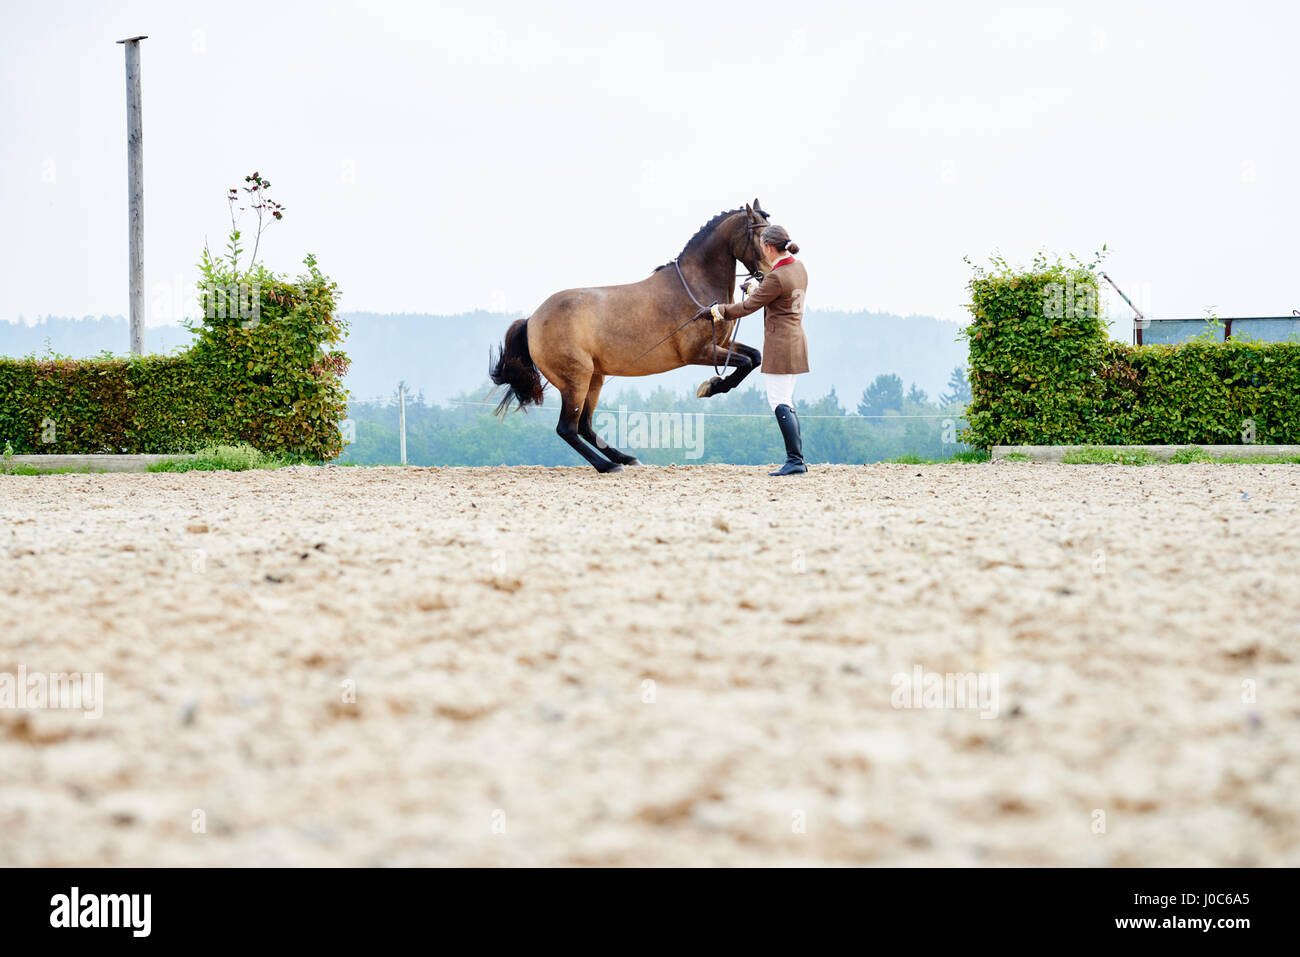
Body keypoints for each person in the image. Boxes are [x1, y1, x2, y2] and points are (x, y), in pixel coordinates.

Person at [710, 225, 809, 476]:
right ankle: (796, 459)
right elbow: (778, 295)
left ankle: (795, 460)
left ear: (767, 247)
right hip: (796, 341)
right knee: (786, 399)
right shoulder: (797, 268)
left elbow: (748, 307)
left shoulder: (776, 277)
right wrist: (756, 287)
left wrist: (718, 310)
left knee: (779, 401)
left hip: (780, 345)